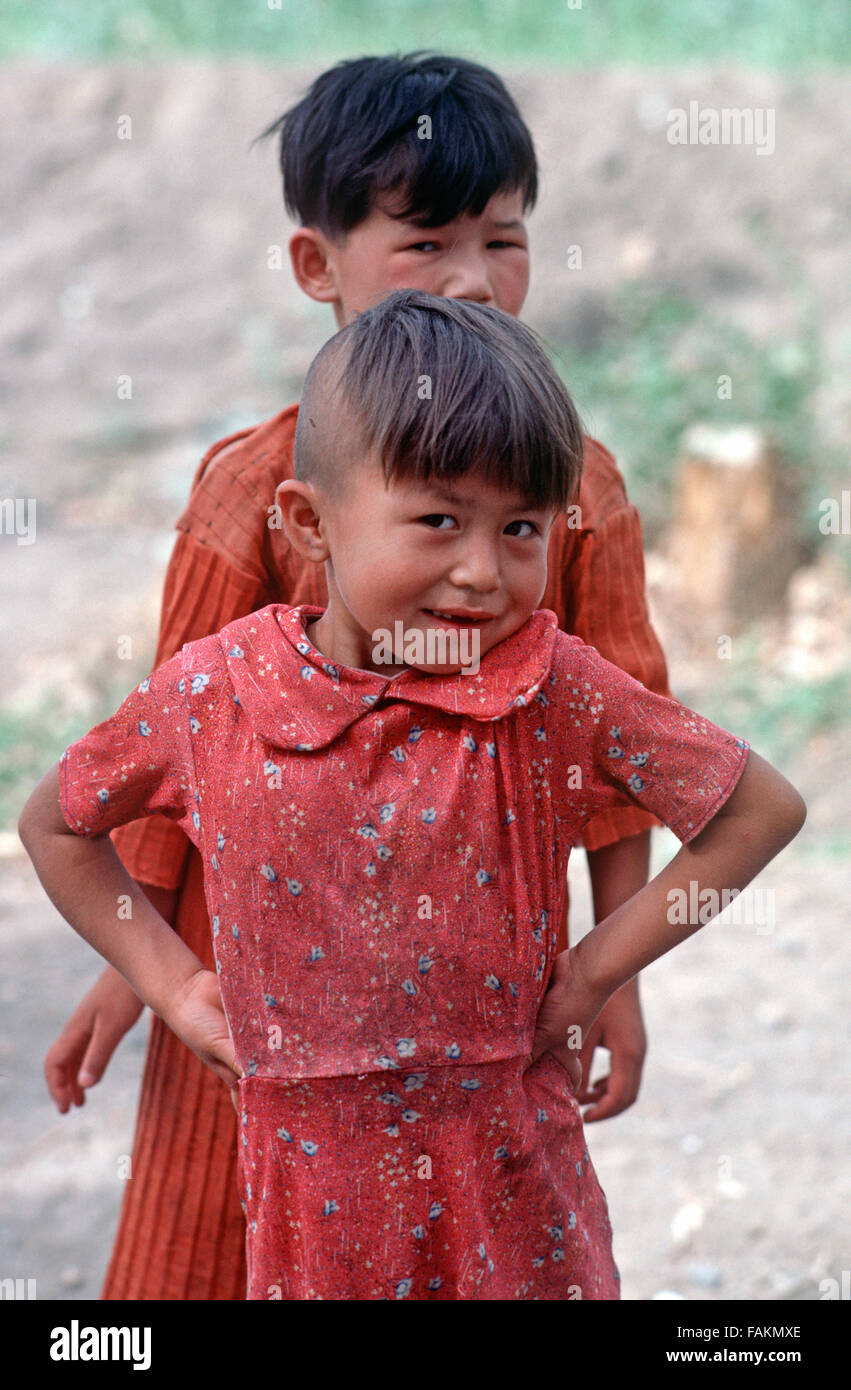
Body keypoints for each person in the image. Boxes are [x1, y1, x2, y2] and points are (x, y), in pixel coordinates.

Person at [21, 291, 805, 1301]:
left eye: (519, 527)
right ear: (309, 522)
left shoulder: (546, 684)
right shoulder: (221, 696)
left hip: (514, 1200)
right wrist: (172, 985)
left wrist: (592, 972)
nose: (480, 572)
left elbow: (756, 810)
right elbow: (56, 822)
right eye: (437, 519)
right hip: (315, 1215)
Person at [45, 53, 671, 1300]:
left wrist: (614, 970)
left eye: (504, 239)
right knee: (201, 1237)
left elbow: (620, 761)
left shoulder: (574, 490)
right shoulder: (255, 488)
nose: (472, 280)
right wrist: (144, 973)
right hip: (251, 976)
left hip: (473, 1004)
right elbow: (154, 767)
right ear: (315, 267)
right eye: (425, 238)